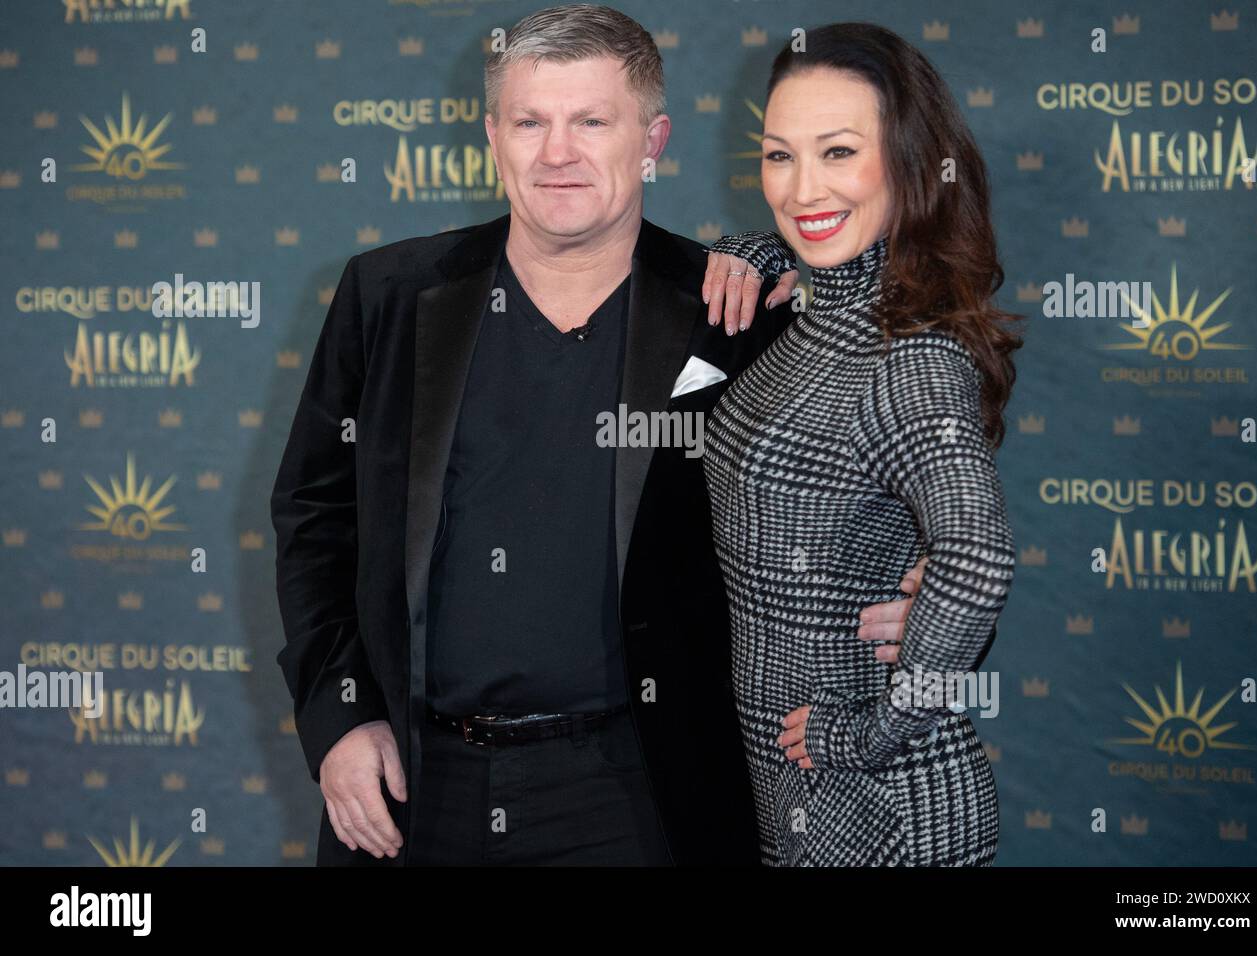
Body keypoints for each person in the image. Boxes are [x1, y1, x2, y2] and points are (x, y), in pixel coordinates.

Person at [271, 4, 931, 866]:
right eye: (530, 122)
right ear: (492, 137)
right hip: (412, 790)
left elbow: (868, 507)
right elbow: (314, 521)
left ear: (652, 141)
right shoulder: (387, 297)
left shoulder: (732, 314)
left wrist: (924, 593)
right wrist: (341, 718)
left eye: (591, 121)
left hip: (639, 795)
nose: (557, 153)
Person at [700, 22, 1023, 865]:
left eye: (839, 152)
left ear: (910, 163)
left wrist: (874, 733)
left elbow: (978, 561)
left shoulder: (909, 357)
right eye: (779, 155)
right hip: (794, 797)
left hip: (885, 808)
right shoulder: (820, 314)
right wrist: (760, 249)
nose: (801, 184)